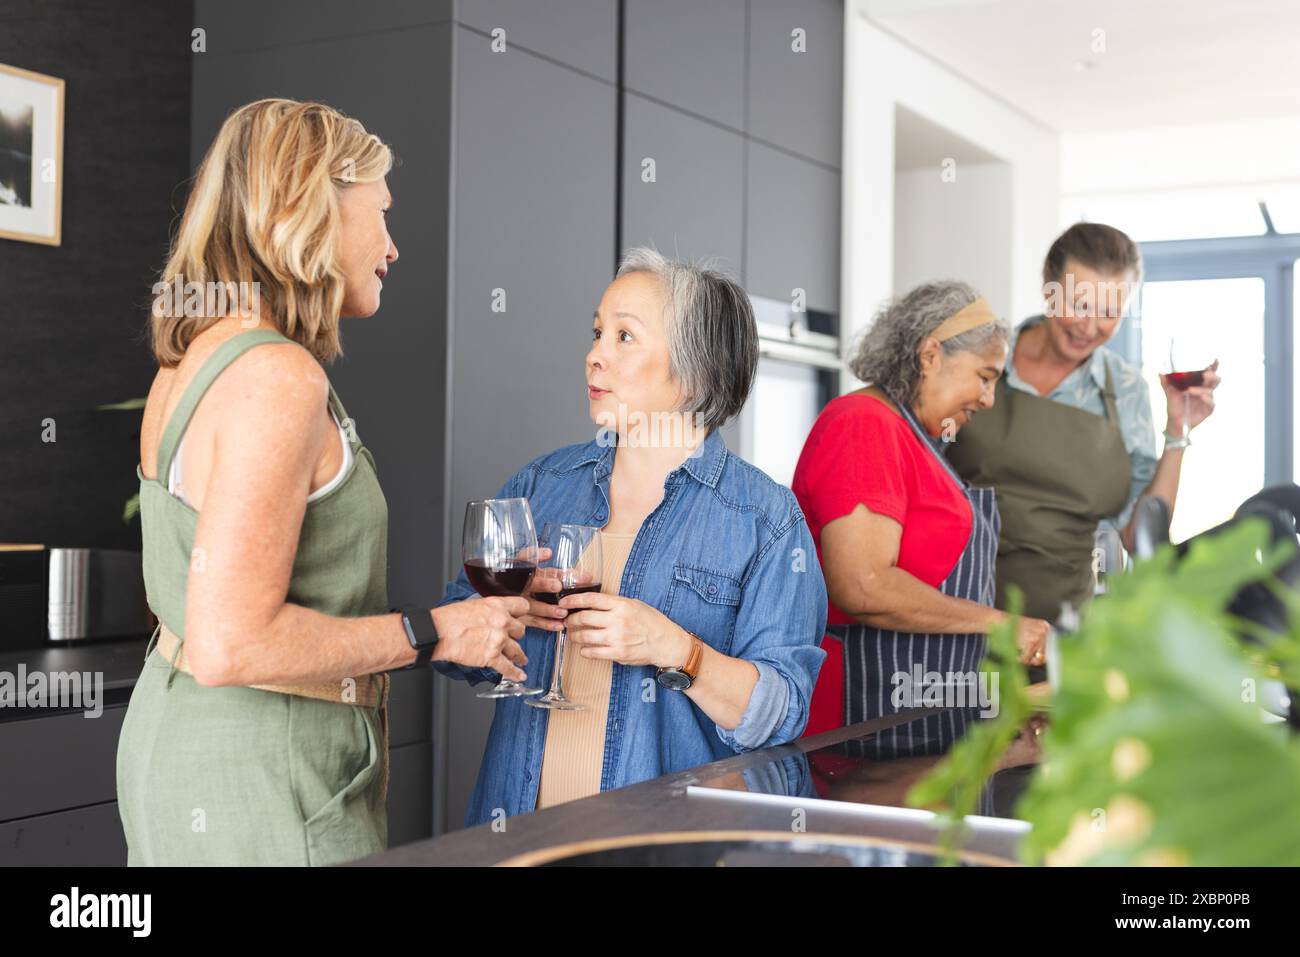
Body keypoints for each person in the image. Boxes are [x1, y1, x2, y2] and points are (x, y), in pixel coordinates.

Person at [116, 99, 530, 866]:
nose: (394, 247)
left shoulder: (192, 360)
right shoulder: (278, 377)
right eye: (381, 213)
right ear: (315, 209)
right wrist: (435, 630)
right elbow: (230, 642)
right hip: (267, 771)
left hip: (182, 743)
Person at [435, 248, 828, 825]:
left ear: (697, 367)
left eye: (624, 337)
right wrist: (497, 617)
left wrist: (676, 648)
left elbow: (780, 713)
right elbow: (452, 642)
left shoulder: (767, 521)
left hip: (664, 847)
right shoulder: (540, 484)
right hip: (516, 834)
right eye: (597, 333)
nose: (594, 356)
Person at [792, 281, 1051, 754]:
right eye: (985, 376)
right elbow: (862, 585)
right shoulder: (863, 424)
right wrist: (1000, 624)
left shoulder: (914, 437)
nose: (989, 399)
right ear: (931, 354)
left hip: (918, 720)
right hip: (863, 725)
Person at [946, 223, 1222, 621]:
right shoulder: (979, 359)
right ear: (1047, 288)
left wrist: (1178, 430)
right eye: (1078, 304)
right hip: (951, 620)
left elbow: (1137, 536)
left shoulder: (1124, 391)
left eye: (1109, 312)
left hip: (1067, 634)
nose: (1089, 327)